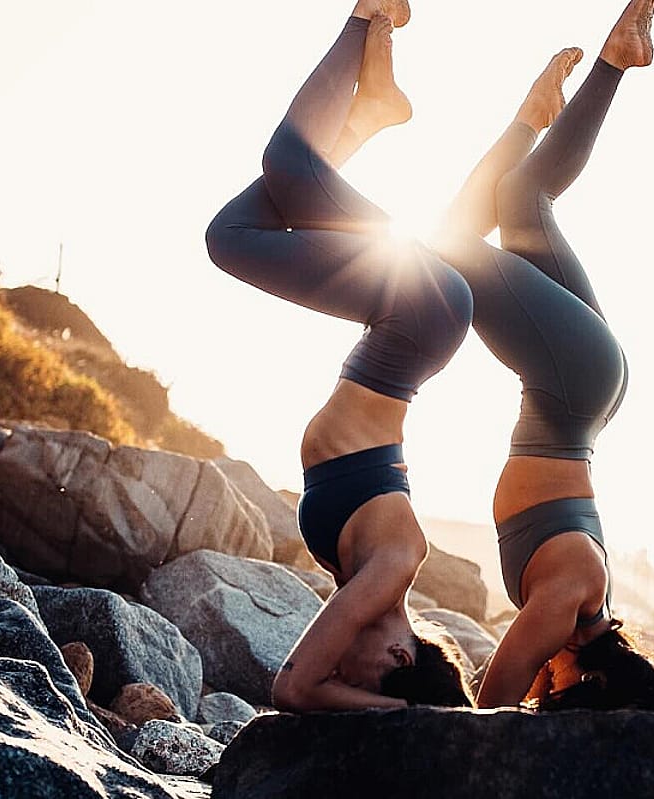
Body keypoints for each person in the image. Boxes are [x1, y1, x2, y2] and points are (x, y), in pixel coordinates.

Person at [205, 0, 474, 711]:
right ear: (399, 653)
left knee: (239, 228)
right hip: (419, 313)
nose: (341, 674)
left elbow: (311, 678)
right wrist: (412, 717)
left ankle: (368, 114)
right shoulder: (390, 570)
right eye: (361, 679)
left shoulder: (365, 579)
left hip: (408, 322)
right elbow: (296, 686)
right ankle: (366, 17)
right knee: (282, 167)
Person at [431, 0, 654, 716]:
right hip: (570, 387)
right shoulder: (568, 606)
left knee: (521, 195)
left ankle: (614, 61)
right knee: (447, 244)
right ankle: (535, 113)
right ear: (593, 681)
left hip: (583, 391)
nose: (549, 689)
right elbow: (490, 705)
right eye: (563, 696)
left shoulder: (585, 605)